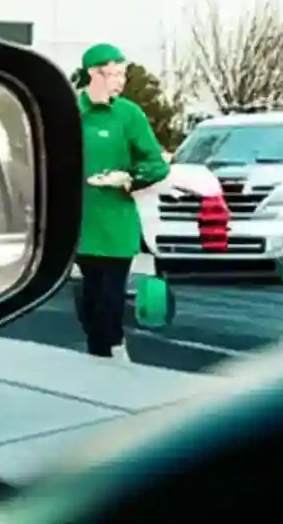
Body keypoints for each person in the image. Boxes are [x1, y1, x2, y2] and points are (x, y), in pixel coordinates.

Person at [74, 43, 170, 361]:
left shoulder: (129, 114)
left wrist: (128, 178)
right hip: (80, 223)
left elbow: (156, 164)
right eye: (114, 74)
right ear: (94, 73)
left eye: (122, 74)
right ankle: (98, 353)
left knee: (110, 297)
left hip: (117, 222)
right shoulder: (71, 113)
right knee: (89, 299)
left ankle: (114, 352)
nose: (121, 81)